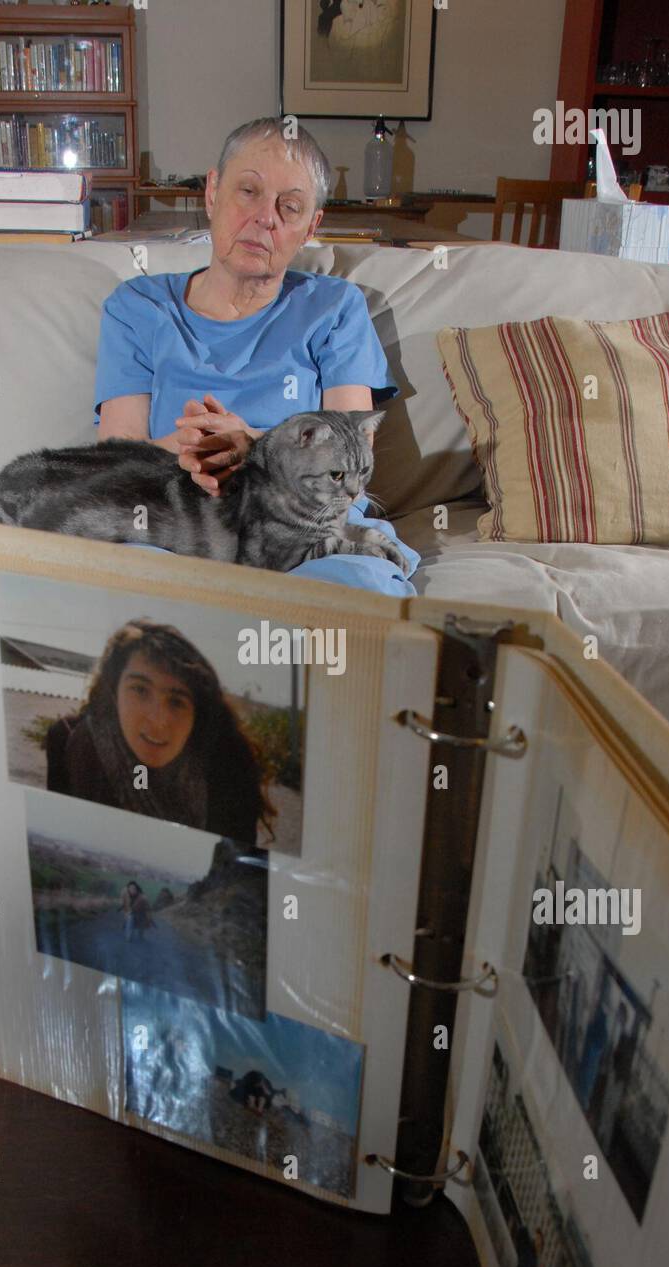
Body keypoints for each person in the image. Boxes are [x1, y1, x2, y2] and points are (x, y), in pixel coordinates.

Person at [94, 116, 420, 597]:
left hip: (307, 531)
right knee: (120, 587)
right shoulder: (137, 307)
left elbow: (354, 448)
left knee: (363, 593)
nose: (265, 217)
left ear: (312, 226)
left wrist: (254, 447)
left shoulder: (334, 307)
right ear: (212, 192)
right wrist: (201, 451)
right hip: (176, 529)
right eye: (248, 191)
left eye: (289, 207)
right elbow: (117, 463)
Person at [45, 619, 275, 843]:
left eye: (176, 702)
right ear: (114, 692)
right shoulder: (68, 741)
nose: (158, 720)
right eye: (140, 690)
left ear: (198, 712)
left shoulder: (228, 775)